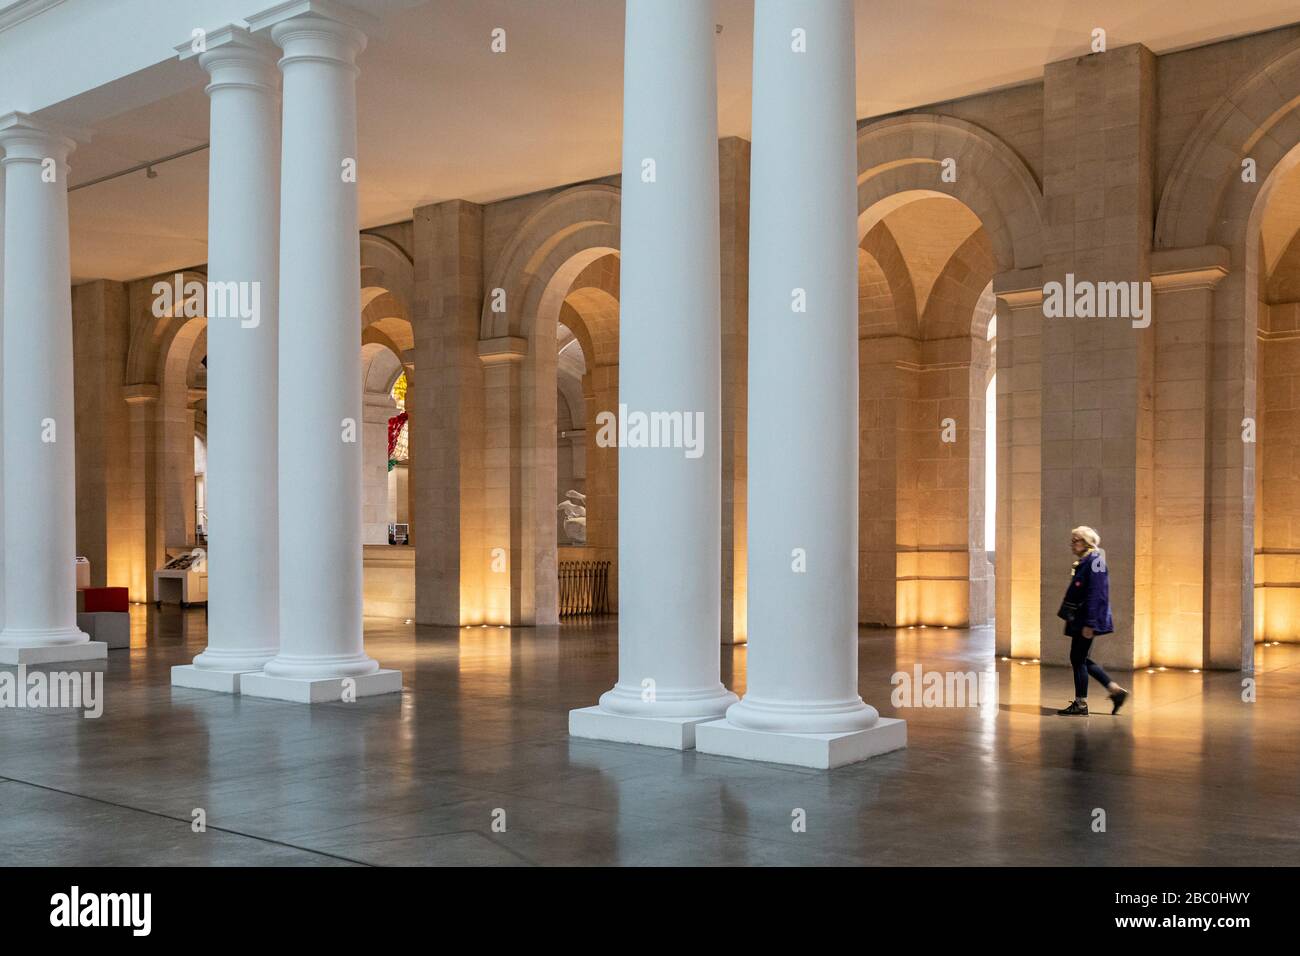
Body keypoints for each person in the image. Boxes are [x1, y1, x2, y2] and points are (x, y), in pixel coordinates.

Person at [1055, 526, 1129, 716]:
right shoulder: (1087, 561)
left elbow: (1097, 595)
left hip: (1086, 620)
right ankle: (1114, 691)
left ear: (1086, 542)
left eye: (1076, 540)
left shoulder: (1095, 561)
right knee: (1079, 657)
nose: (1072, 544)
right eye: (1072, 540)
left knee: (1078, 658)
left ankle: (1081, 704)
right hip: (1080, 619)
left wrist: (1090, 623)